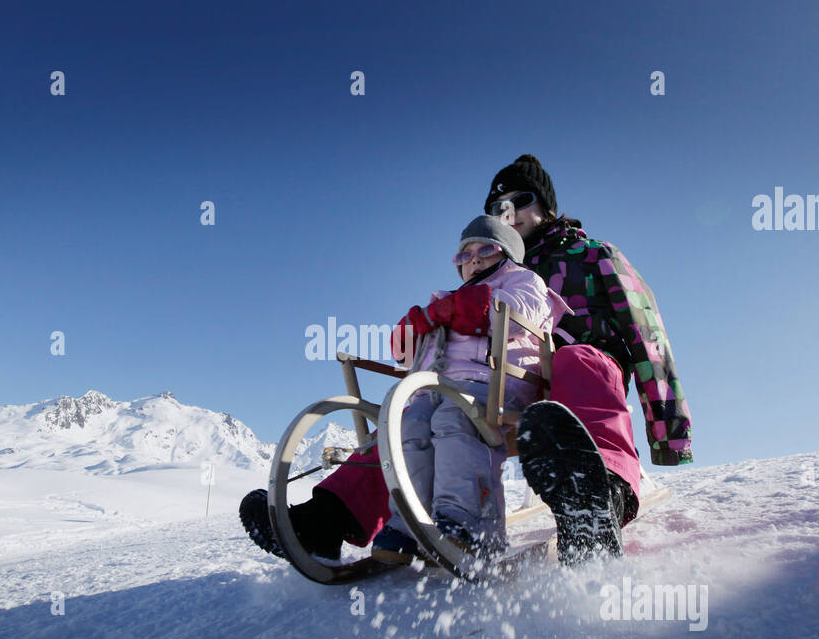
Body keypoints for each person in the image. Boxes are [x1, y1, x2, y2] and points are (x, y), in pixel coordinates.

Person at [241, 154, 693, 565]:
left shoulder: (592, 256)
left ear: (548, 207)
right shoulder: (486, 273)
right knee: (414, 412)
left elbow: (646, 335)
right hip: (500, 378)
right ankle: (327, 520)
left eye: (521, 200)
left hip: (578, 380)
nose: (509, 214)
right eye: (498, 209)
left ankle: (596, 498)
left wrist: (669, 431)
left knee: (577, 360)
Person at [369, 214, 567, 558]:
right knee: (409, 427)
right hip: (437, 386)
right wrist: (413, 325)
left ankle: (469, 522)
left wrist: (451, 310)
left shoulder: (523, 280)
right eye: (464, 255)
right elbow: (403, 354)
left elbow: (522, 313)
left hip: (496, 383)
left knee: (455, 418)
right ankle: (411, 522)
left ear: (507, 254)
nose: (473, 259)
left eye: (486, 249)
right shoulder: (445, 298)